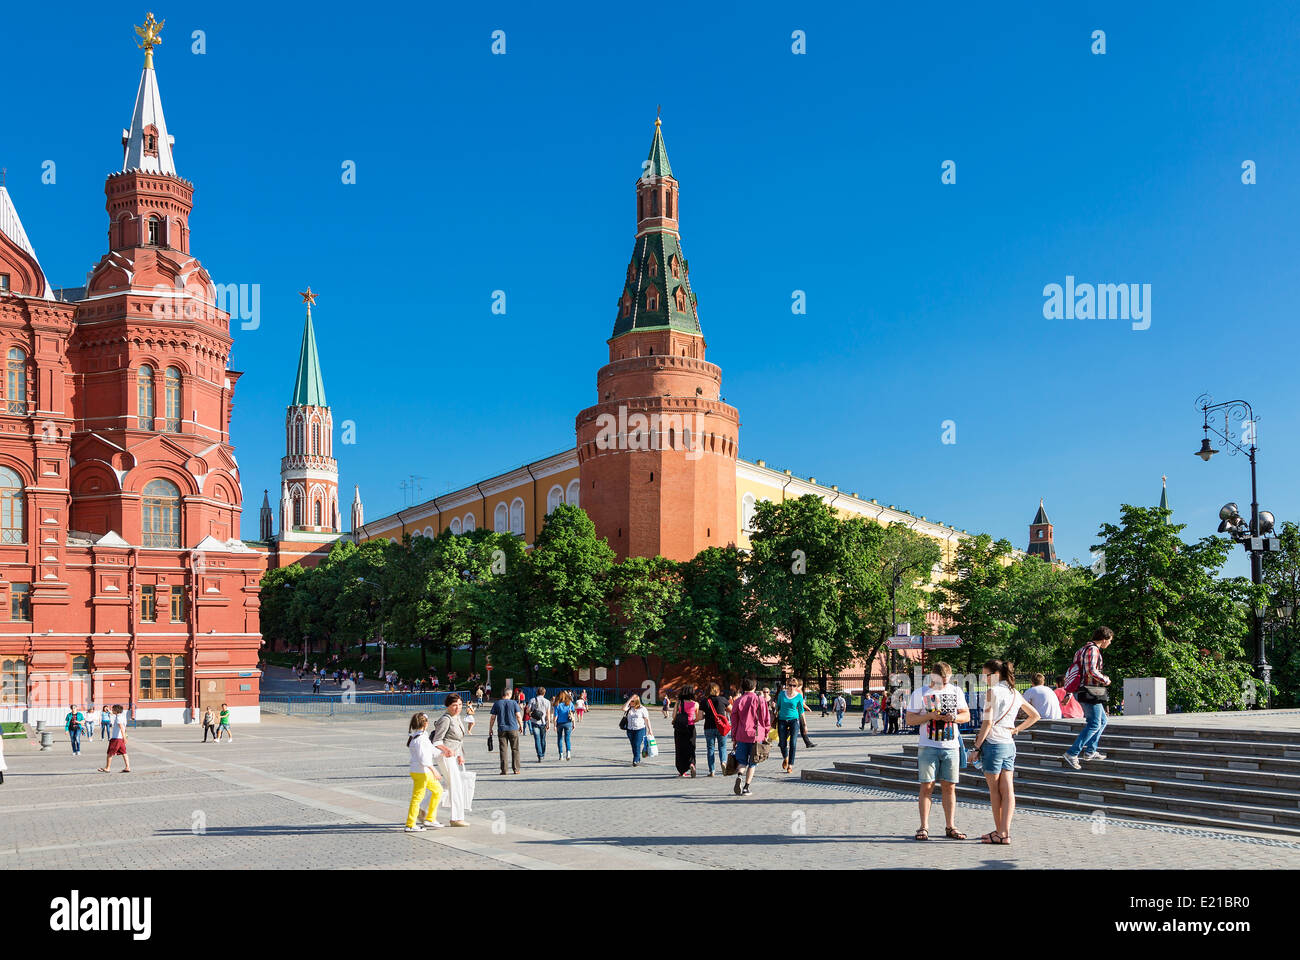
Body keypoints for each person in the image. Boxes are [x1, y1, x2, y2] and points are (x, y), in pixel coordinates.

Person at [973, 659, 1040, 844]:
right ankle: (1005, 832)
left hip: (993, 744)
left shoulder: (992, 692)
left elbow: (987, 723)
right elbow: (1035, 715)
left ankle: (999, 833)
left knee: (995, 791)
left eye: (985, 675)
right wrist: (1016, 729)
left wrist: (976, 747)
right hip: (1009, 744)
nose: (984, 679)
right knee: (1008, 790)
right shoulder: (1014, 692)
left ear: (995, 674)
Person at [905, 661, 971, 841]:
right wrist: (929, 716)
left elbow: (966, 715)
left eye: (947, 680)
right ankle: (923, 826)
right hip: (928, 746)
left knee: (950, 787)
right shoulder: (920, 693)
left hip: (950, 746)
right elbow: (909, 719)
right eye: (942, 680)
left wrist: (955, 717)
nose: (945, 683)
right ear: (932, 677)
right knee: (926, 786)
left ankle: (950, 826)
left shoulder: (955, 691)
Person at [1063, 627, 1114, 769]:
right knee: (1094, 723)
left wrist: (1068, 692)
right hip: (1089, 691)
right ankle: (1072, 753)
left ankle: (1090, 751)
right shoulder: (1093, 650)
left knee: (1102, 720)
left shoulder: (1080, 650)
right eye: (1109, 641)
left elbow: (1074, 672)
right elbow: (1091, 670)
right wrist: (1105, 679)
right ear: (1104, 639)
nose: (1109, 644)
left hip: (1081, 690)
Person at [425, 694, 470, 827]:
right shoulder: (445, 719)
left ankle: (423, 808)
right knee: (456, 785)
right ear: (448, 706)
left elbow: (459, 740)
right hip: (445, 756)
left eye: (460, 705)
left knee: (447, 785)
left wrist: (460, 754)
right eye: (454, 705)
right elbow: (436, 740)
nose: (458, 707)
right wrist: (446, 749)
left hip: (453, 756)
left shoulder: (457, 718)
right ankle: (456, 818)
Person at [730, 678, 770, 796]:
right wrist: (766, 733)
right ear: (754, 687)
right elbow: (766, 718)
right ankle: (746, 787)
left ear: (742, 688)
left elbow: (734, 721)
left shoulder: (738, 701)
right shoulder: (760, 700)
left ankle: (739, 775)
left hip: (741, 735)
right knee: (753, 762)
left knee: (742, 761)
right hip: (756, 736)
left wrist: (734, 737)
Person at [404, 712, 444, 832]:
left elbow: (431, 750)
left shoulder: (419, 736)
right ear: (425, 723)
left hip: (421, 771)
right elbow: (424, 759)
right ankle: (410, 824)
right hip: (422, 772)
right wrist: (434, 771)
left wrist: (443, 753)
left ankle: (430, 819)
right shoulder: (420, 738)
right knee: (417, 798)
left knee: (438, 791)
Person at [488, 689, 522, 775]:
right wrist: (521, 725)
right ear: (509, 694)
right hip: (513, 728)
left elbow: (493, 717)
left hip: (502, 729)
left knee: (503, 750)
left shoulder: (497, 703)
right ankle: (516, 769)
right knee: (515, 749)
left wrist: (490, 728)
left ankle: (504, 770)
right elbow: (518, 715)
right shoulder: (514, 703)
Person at [700, 682, 730, 776]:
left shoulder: (704, 701)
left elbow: (700, 716)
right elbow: (732, 710)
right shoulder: (723, 699)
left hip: (708, 727)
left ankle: (712, 771)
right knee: (722, 747)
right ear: (718, 690)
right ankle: (723, 762)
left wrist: (706, 715)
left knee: (710, 749)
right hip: (721, 727)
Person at [775, 678, 804, 774]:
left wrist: (805, 724)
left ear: (796, 687)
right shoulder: (782, 694)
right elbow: (778, 706)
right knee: (782, 743)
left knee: (793, 743)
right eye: (790, 685)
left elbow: (801, 711)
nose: (792, 687)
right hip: (782, 720)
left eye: (794, 685)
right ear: (787, 685)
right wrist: (774, 711)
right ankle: (786, 757)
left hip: (794, 721)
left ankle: (790, 765)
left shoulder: (799, 696)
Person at [671, 685, 700, 777]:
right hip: (690, 727)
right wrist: (692, 720)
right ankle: (692, 764)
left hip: (679, 727)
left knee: (680, 748)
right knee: (691, 747)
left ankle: (682, 770)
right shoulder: (695, 704)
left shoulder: (679, 702)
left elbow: (673, 716)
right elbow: (698, 718)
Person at [99, 704, 131, 773]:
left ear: (116, 711)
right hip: (120, 738)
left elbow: (121, 728)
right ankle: (127, 767)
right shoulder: (122, 716)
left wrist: (124, 738)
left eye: (113, 709)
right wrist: (124, 737)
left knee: (110, 753)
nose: (112, 710)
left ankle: (107, 768)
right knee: (124, 753)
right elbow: (124, 727)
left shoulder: (118, 718)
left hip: (116, 738)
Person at [622, 694, 653, 765]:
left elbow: (647, 720)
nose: (630, 702)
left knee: (636, 744)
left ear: (636, 701)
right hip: (630, 730)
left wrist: (650, 730)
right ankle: (637, 758)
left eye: (632, 701)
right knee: (633, 745)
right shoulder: (629, 707)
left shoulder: (642, 709)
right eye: (630, 701)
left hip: (640, 729)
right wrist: (629, 700)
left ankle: (635, 760)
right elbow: (623, 708)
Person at [527, 686, 552, 761]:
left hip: (534, 722)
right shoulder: (547, 701)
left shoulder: (532, 700)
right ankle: (543, 753)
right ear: (544, 693)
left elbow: (527, 711)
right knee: (543, 739)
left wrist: (531, 713)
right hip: (543, 722)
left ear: (537, 692)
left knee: (537, 739)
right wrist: (548, 723)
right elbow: (548, 713)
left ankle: (539, 755)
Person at [553, 691, 576, 760]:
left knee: (559, 739)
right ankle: (568, 753)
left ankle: (561, 755)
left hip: (559, 723)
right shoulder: (570, 704)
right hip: (568, 723)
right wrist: (574, 724)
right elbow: (572, 714)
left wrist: (554, 725)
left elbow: (555, 717)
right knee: (567, 739)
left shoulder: (557, 705)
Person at [795, 679, 816, 749]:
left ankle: (808, 743)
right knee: (801, 727)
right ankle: (808, 743)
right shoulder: (799, 692)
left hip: (795, 711)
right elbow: (801, 703)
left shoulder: (794, 691)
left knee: (799, 728)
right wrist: (808, 708)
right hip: (798, 712)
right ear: (801, 685)